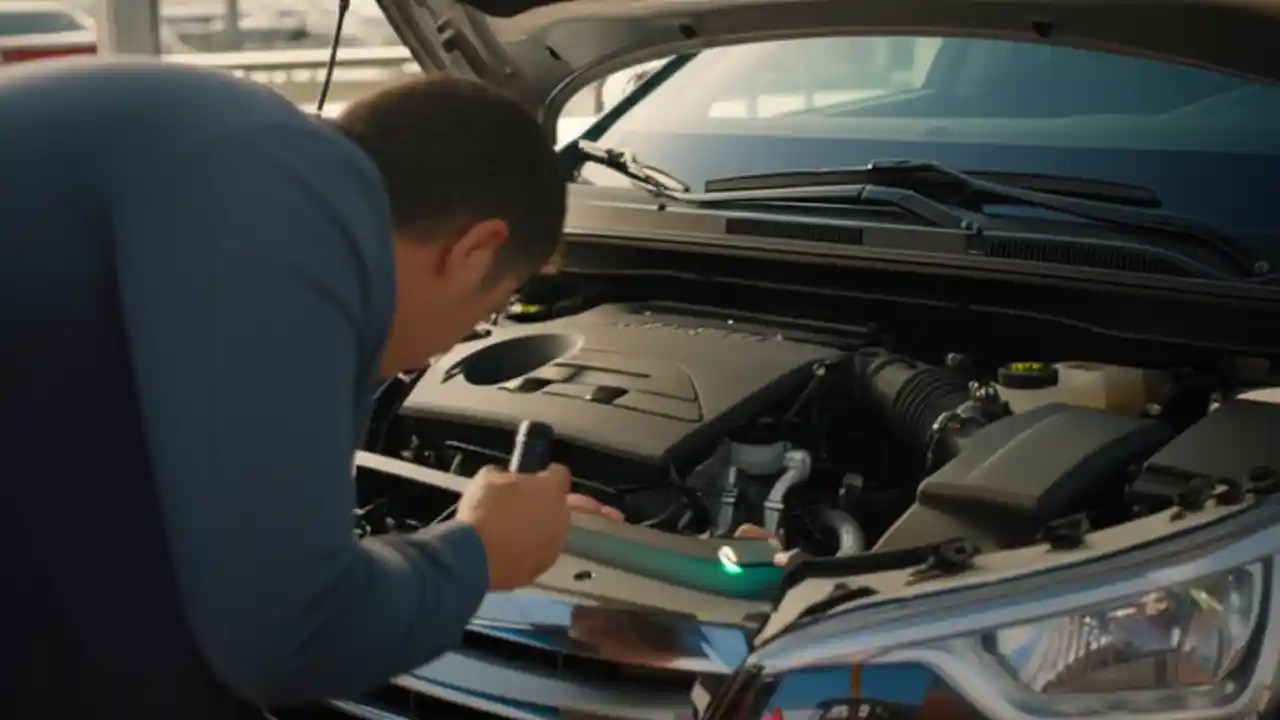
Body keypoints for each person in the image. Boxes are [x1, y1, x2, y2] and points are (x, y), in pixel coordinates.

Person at [0, 57, 618, 719]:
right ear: (474, 250)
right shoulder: (282, 191)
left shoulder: (223, 158)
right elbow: (288, 636)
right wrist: (480, 553)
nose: (443, 353)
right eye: (485, 310)